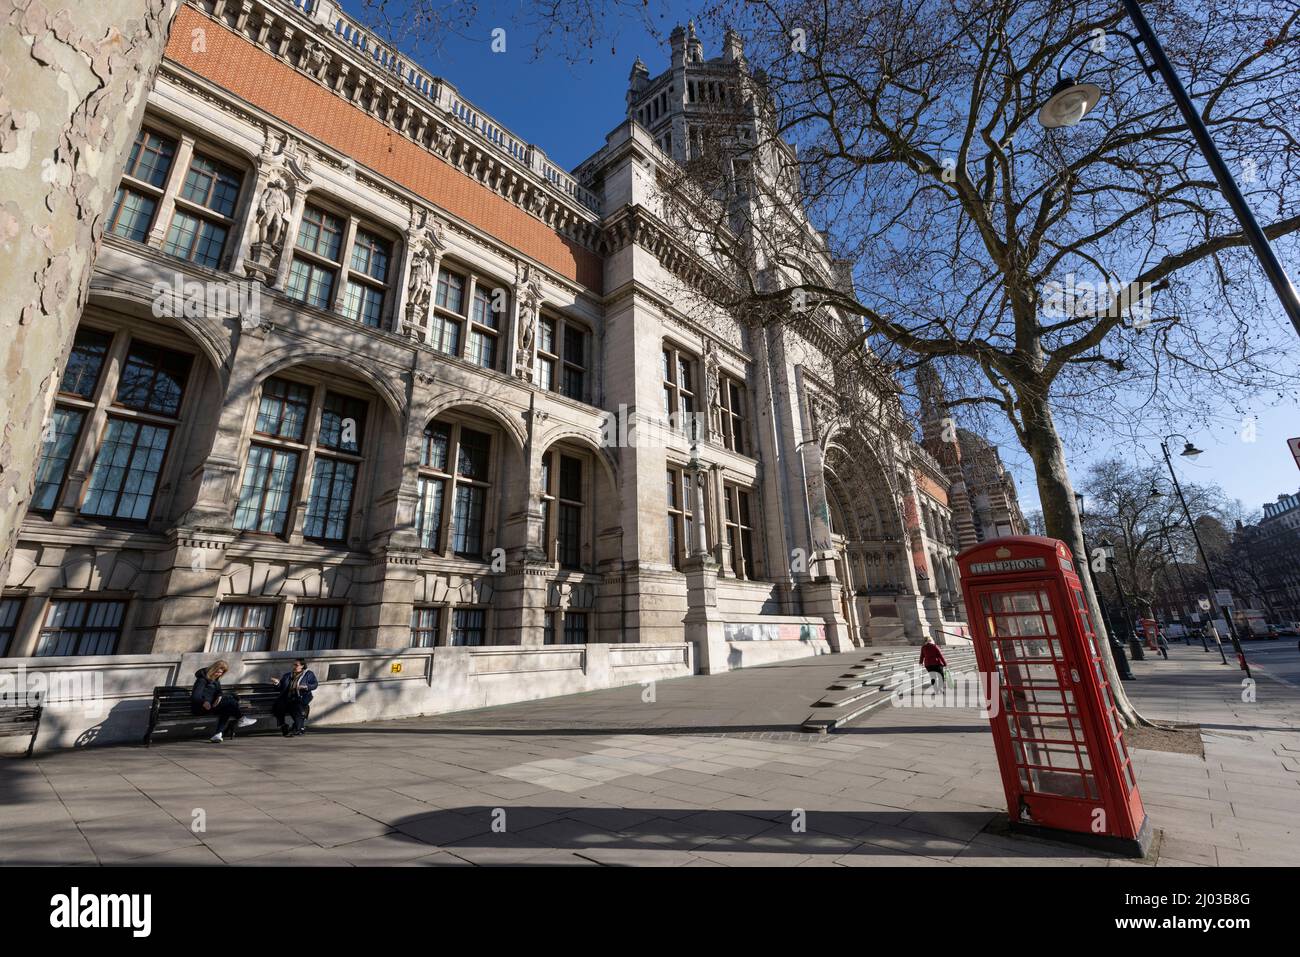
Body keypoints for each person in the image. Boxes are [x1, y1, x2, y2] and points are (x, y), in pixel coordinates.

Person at [191, 660, 256, 743]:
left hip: (211, 706)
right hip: (201, 707)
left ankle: (217, 734)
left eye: (221, 673)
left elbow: (219, 692)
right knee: (230, 701)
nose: (219, 674)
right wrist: (204, 702)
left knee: (228, 708)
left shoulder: (216, 680)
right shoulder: (202, 680)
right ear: (213, 670)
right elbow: (195, 696)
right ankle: (241, 718)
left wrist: (219, 696)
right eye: (217, 672)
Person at [271, 658, 319, 737]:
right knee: (277, 706)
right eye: (294, 665)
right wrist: (277, 683)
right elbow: (280, 688)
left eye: (296, 665)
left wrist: (306, 686)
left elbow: (315, 684)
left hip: (301, 697)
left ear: (302, 666)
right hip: (287, 697)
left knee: (295, 707)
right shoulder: (287, 675)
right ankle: (283, 726)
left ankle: (298, 728)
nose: (294, 666)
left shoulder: (308, 674)